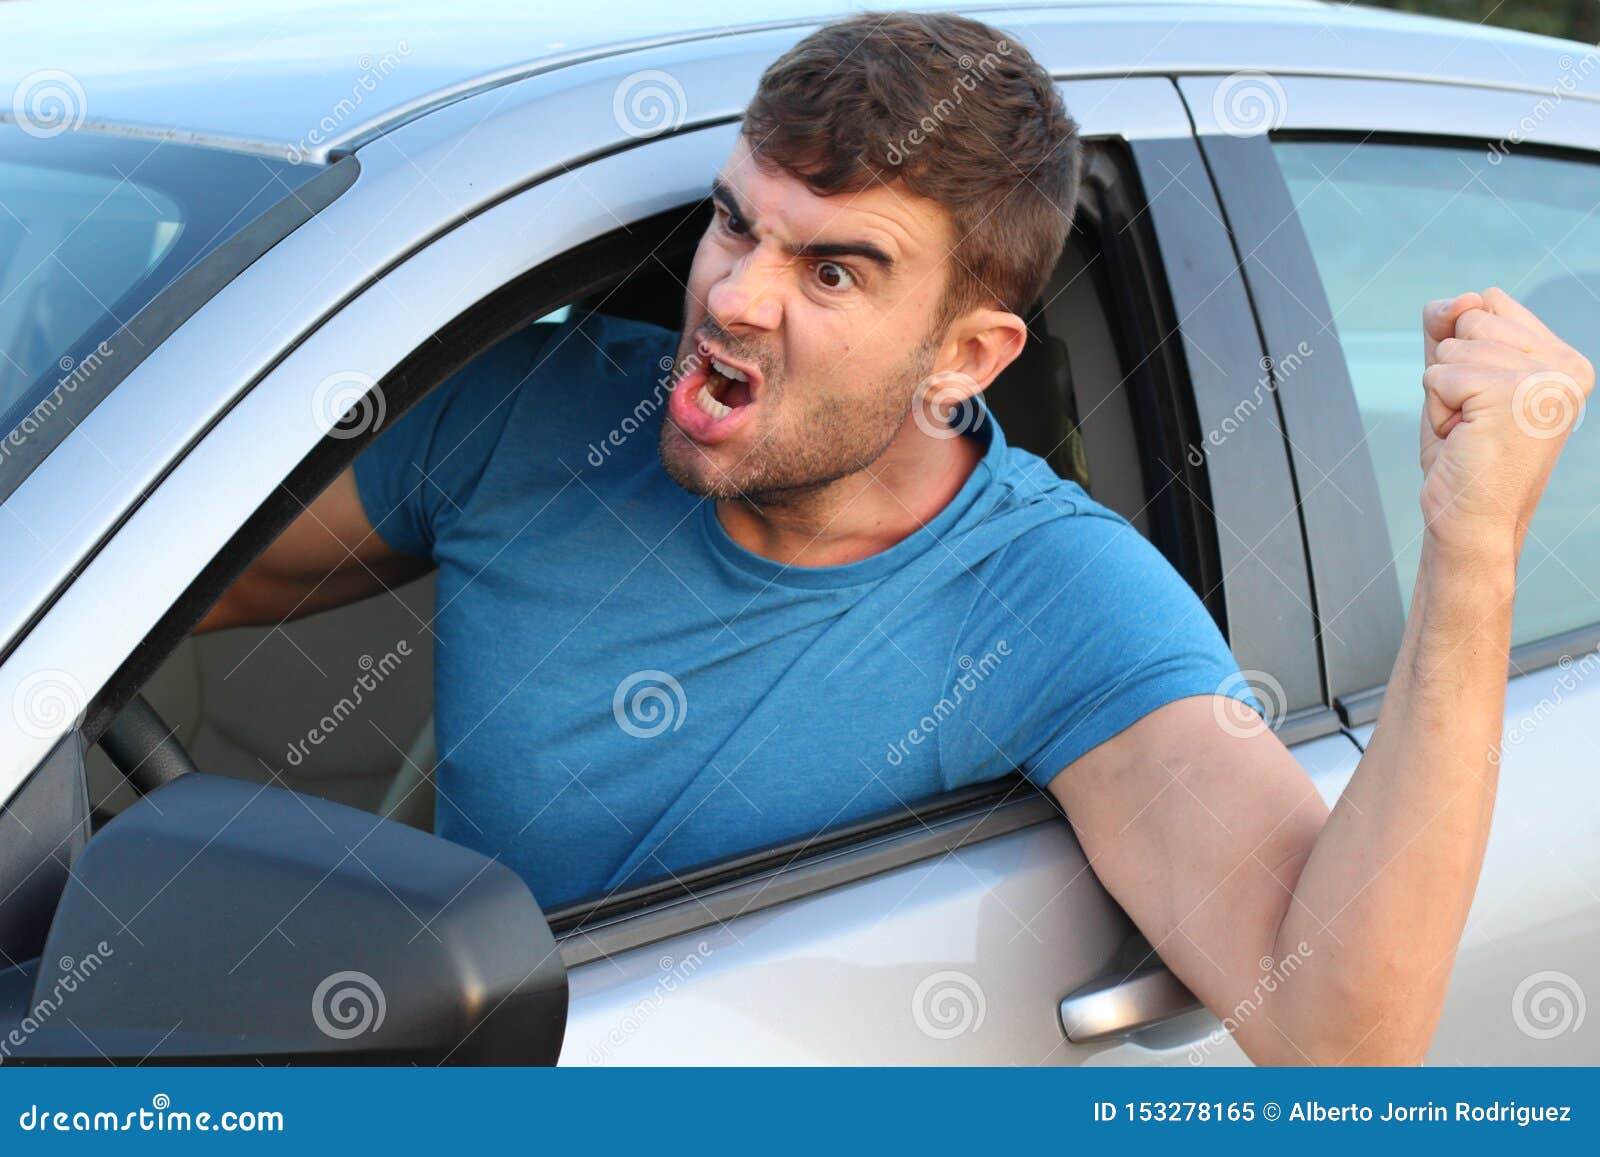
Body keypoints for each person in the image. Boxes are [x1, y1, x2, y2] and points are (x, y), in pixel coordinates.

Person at [195, 11, 1594, 1065]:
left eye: (832, 269)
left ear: (967, 358)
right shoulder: (541, 412)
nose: (736, 298)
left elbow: (1343, 1032)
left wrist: (1473, 551)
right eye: (738, 227)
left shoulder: (1058, 597)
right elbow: (155, 587)